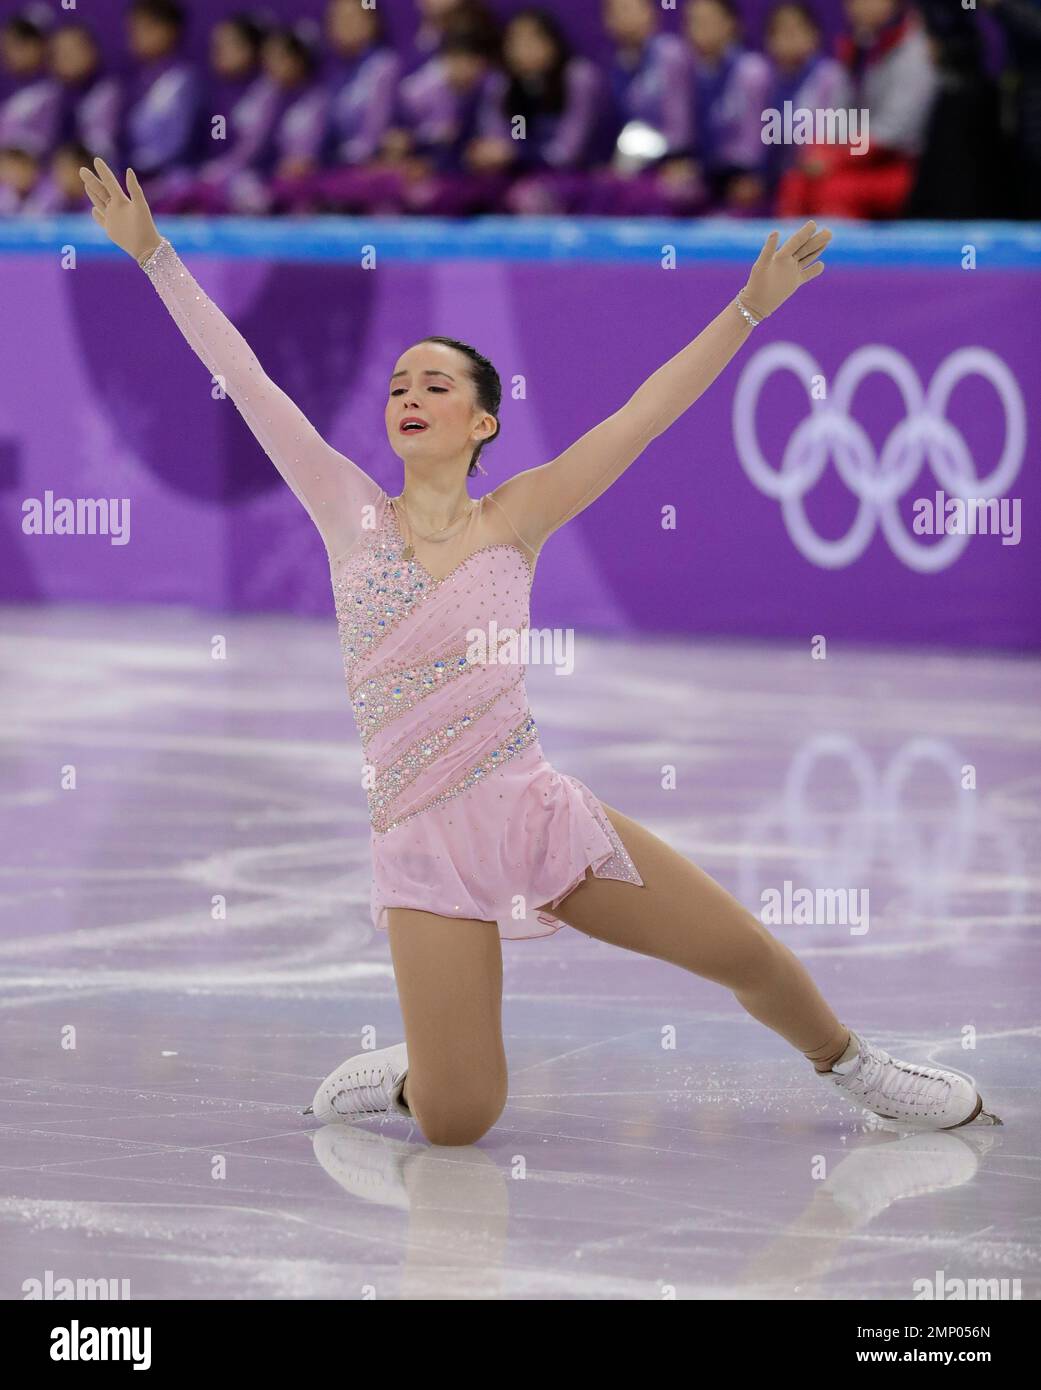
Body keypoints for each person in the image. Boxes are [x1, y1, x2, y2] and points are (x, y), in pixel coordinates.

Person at [78, 154, 1001, 1148]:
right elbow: (246, 379)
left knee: (744, 951)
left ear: (481, 422)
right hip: (425, 838)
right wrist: (156, 255)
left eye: (436, 383)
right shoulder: (348, 512)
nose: (409, 394)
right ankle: (417, 1074)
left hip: (532, 811)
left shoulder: (519, 515)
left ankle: (859, 1067)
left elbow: (644, 415)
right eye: (398, 385)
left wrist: (748, 308)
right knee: (462, 1118)